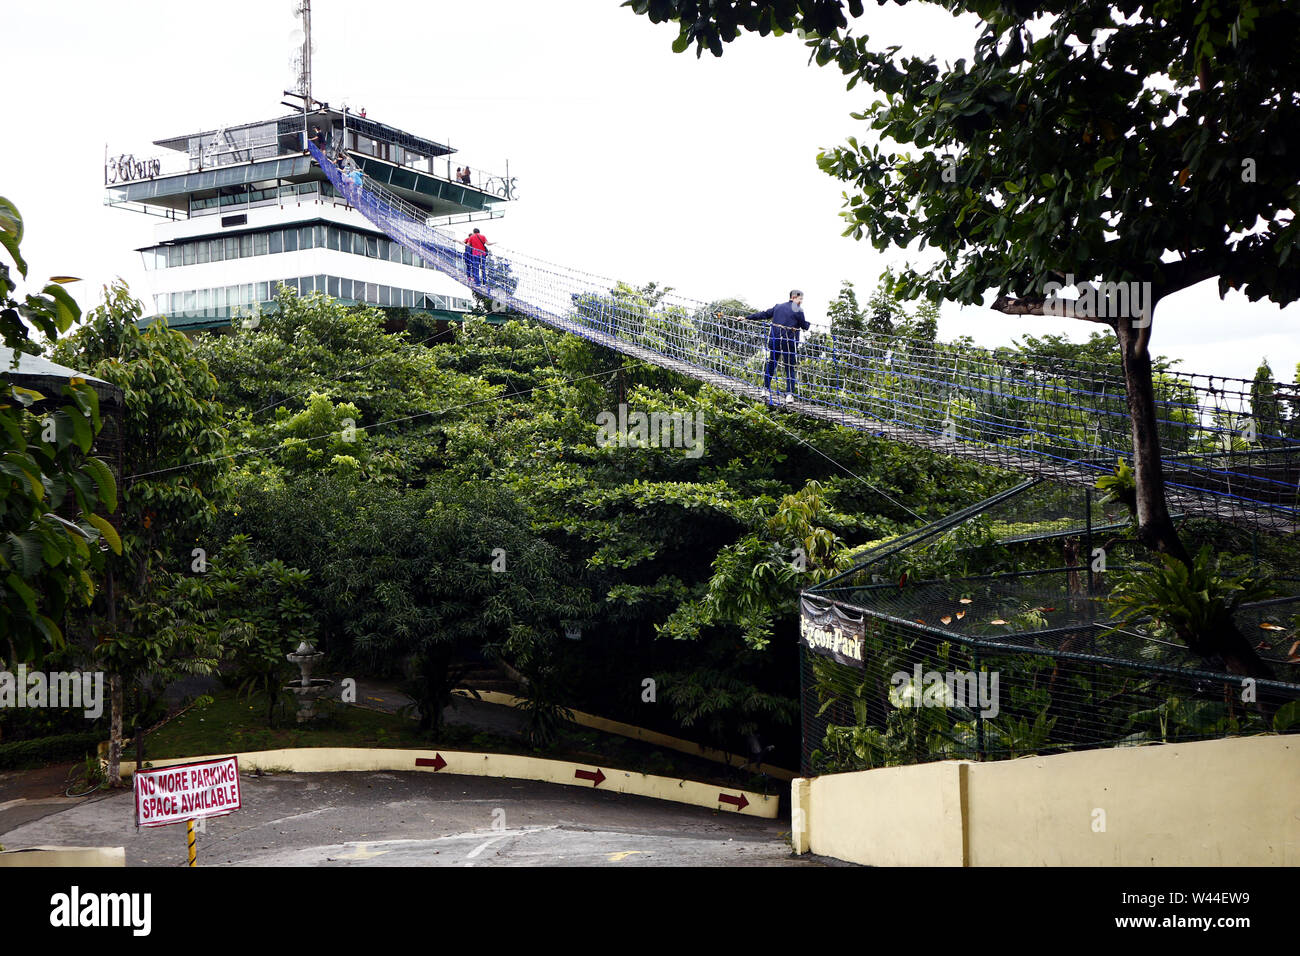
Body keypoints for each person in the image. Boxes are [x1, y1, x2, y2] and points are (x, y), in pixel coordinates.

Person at [745, 289, 811, 405]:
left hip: (775, 340)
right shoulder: (798, 310)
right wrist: (808, 324)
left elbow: (763, 314)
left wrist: (746, 317)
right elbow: (804, 326)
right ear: (794, 297)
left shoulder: (778, 307)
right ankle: (789, 394)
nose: (801, 302)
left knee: (772, 363)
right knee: (789, 367)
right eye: (800, 299)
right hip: (789, 342)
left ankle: (765, 390)